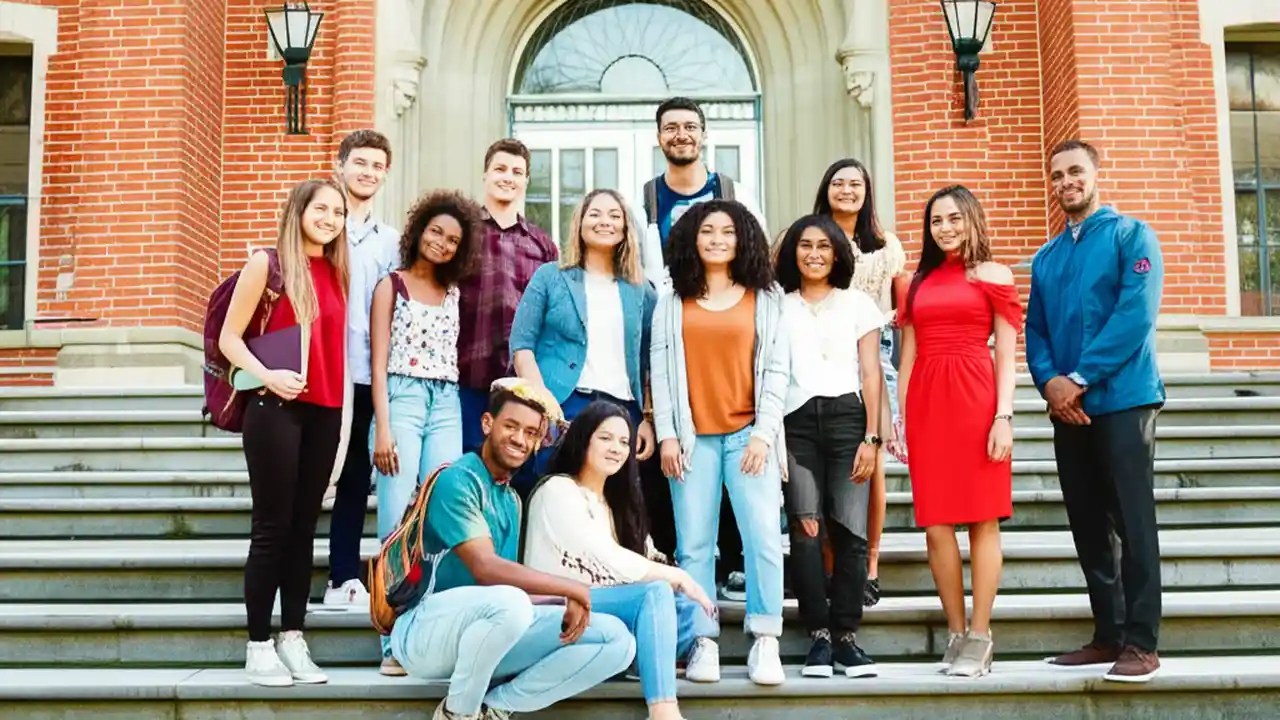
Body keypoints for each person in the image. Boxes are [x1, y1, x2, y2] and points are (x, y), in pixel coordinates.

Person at [389, 379, 635, 720]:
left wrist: (563, 602)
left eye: (531, 433)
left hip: (487, 630)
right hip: (423, 634)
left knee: (616, 639)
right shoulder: (457, 480)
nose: (520, 439)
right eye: (511, 426)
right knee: (511, 603)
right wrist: (570, 587)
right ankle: (458, 714)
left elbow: (506, 589)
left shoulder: (512, 500)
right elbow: (485, 569)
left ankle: (497, 707)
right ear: (488, 423)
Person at [1031, 140, 1165, 684]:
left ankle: (1142, 642)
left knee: (1132, 523)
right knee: (1088, 523)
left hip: (1124, 399)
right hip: (1069, 412)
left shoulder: (1133, 236)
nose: (1067, 181)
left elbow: (1135, 316)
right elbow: (1035, 330)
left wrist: (1079, 379)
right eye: (1058, 175)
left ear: (1094, 175)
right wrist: (1051, 386)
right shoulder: (1046, 257)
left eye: (1076, 172)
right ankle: (1107, 633)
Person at [650, 199, 788, 686]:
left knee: (764, 539)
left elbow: (777, 370)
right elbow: (662, 373)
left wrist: (765, 434)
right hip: (692, 440)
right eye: (707, 231)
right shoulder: (671, 300)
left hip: (750, 436)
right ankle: (701, 639)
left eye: (726, 232)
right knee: (694, 544)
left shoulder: (765, 297)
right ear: (692, 238)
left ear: (742, 239)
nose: (716, 239)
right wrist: (666, 435)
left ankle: (765, 637)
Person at [218, 178, 350, 686]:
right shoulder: (267, 263)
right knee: (273, 527)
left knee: (303, 529)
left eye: (338, 212)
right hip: (274, 406)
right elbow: (231, 337)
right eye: (321, 208)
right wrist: (269, 375)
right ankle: (258, 646)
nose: (330, 218)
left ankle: (293, 637)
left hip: (326, 411)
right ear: (298, 211)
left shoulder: (340, 272)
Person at [639, 96, 766, 600]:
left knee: (735, 440)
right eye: (671, 128)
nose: (681, 135)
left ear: (704, 134)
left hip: (729, 324)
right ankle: (694, 565)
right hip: (675, 327)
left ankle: (735, 561)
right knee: (688, 452)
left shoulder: (735, 192)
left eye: (690, 127)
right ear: (659, 138)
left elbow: (757, 258)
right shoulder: (648, 199)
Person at [524, 400, 720, 718]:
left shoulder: (616, 505)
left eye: (624, 441)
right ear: (583, 439)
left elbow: (645, 557)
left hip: (606, 612)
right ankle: (664, 710)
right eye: (605, 438)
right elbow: (601, 557)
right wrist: (677, 577)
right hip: (558, 611)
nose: (616, 448)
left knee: (683, 603)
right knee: (657, 591)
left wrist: (673, 579)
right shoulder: (557, 490)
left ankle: (672, 655)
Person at [896, 185, 1020, 678]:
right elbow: (905, 356)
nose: (944, 228)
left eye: (953, 218)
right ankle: (954, 630)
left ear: (972, 219)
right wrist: (901, 419)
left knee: (983, 520)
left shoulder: (994, 275)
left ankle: (981, 633)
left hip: (977, 398)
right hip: (928, 403)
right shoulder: (915, 282)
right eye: (935, 221)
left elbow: (1007, 354)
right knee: (936, 525)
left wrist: (1004, 416)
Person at [368, 189, 482, 675]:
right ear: (419, 232)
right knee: (398, 519)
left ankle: (429, 635)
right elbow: (376, 365)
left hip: (447, 403)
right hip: (403, 399)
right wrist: (383, 429)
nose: (442, 243)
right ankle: (391, 643)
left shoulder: (454, 293)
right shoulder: (390, 286)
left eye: (453, 239)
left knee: (438, 515)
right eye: (436, 232)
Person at [774, 215, 883, 679]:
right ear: (792, 253)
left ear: (838, 252)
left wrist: (872, 438)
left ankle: (845, 638)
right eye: (805, 245)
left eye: (823, 245)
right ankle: (817, 637)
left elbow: (871, 372)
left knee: (851, 532)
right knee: (805, 530)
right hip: (795, 423)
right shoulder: (777, 304)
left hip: (847, 421)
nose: (814, 253)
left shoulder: (857, 303)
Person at [510, 189, 657, 494]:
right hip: (564, 404)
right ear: (580, 223)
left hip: (621, 409)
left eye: (615, 216)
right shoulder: (550, 276)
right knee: (553, 491)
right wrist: (543, 406)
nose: (606, 222)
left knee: (614, 501)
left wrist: (647, 419)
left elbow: (650, 359)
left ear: (626, 228)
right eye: (595, 214)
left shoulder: (641, 290)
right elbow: (522, 345)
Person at [811, 158, 907, 607]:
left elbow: (903, 310)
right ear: (825, 189)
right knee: (831, 470)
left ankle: (869, 566)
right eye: (838, 183)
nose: (847, 190)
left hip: (875, 355)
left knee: (873, 468)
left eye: (855, 184)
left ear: (867, 191)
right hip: (822, 357)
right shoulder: (811, 236)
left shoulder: (887, 245)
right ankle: (830, 565)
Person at [326, 129, 401, 607]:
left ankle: (342, 577)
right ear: (341, 165)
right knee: (314, 474)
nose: (368, 172)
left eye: (377, 166)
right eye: (360, 163)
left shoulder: (390, 242)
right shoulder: (322, 223)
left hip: (364, 371)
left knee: (355, 473)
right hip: (319, 370)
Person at [457, 138, 559, 458]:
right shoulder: (461, 233)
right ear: (485, 175)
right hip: (465, 378)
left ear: (525, 181)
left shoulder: (543, 246)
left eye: (517, 172)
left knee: (514, 469)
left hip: (520, 385)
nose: (508, 177)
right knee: (466, 465)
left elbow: (550, 317)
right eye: (500, 169)